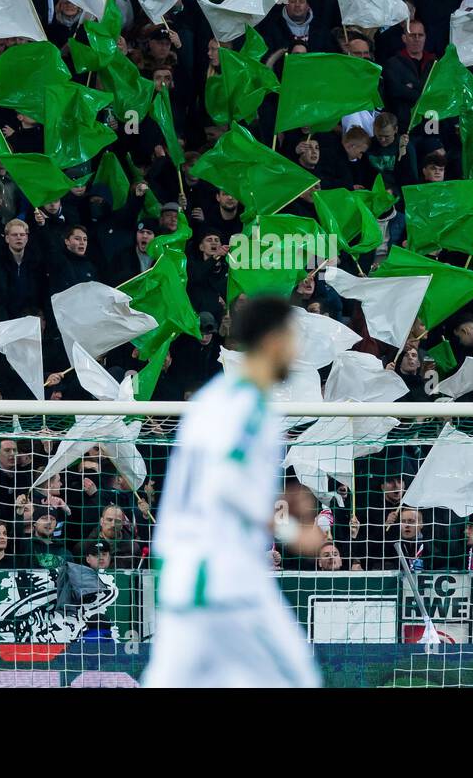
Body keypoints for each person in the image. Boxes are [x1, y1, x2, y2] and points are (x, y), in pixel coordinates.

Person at [143, 295, 324, 688]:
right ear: (273, 341)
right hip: (222, 576)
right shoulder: (249, 407)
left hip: (187, 571)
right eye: (293, 339)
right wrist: (292, 530)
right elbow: (224, 484)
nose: (296, 352)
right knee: (296, 677)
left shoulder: (213, 398)